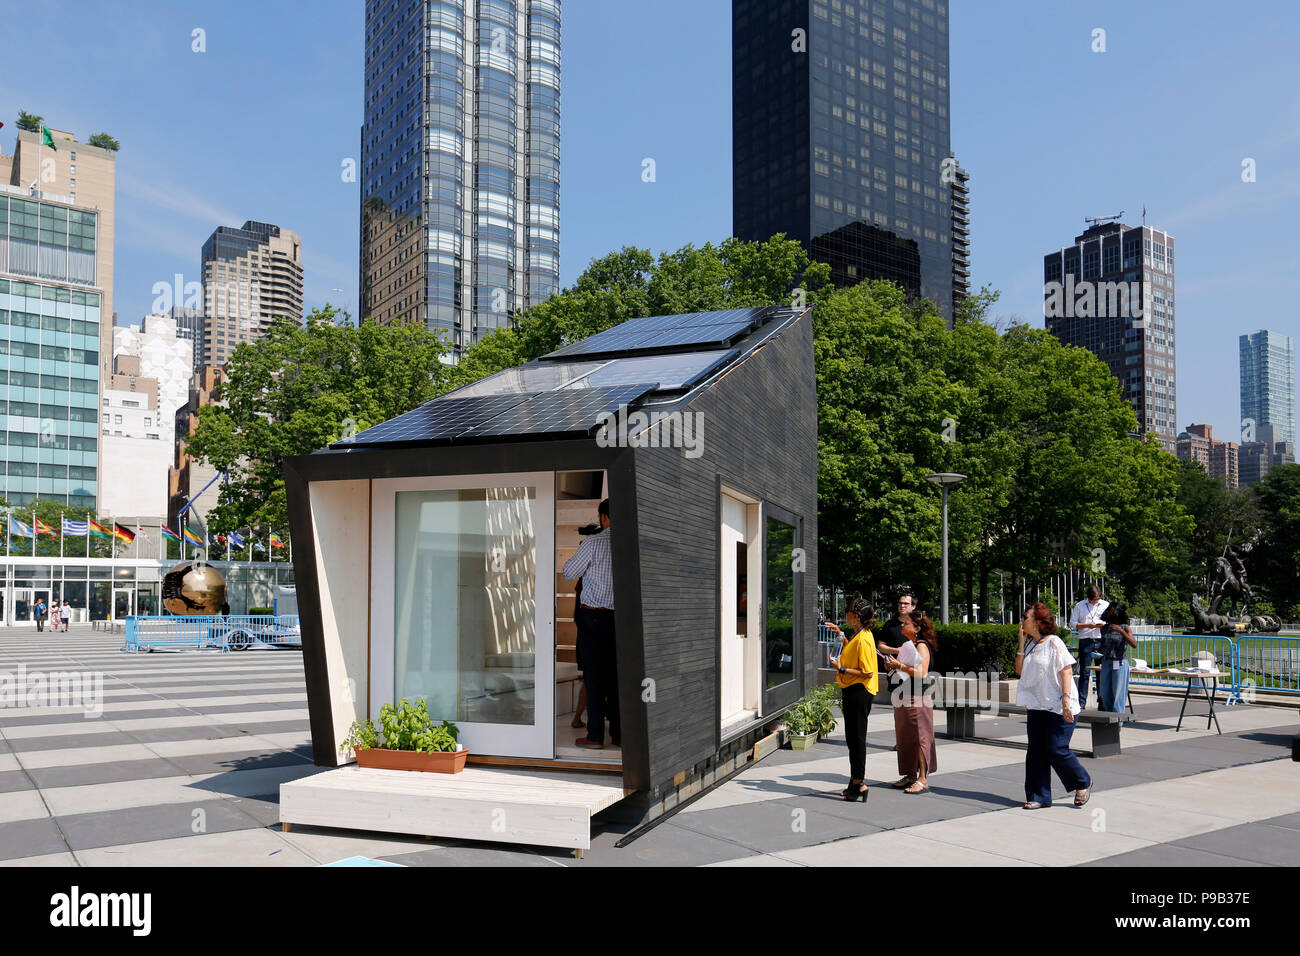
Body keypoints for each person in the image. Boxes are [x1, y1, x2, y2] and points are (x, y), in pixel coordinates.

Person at [1016, 602, 1092, 809]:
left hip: (1059, 705)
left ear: (1038, 621)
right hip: (1037, 705)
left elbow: (1066, 670)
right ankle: (1038, 796)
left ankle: (1082, 781)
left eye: (1026, 617)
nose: (1022, 620)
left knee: (1056, 749)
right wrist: (1021, 644)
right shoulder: (1032, 644)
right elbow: (1020, 671)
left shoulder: (1054, 643)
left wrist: (1066, 700)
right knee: (1035, 752)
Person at [562, 499, 618, 749]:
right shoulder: (633, 544)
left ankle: (595, 736)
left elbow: (569, 572)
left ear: (604, 517)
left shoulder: (594, 543)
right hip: (621, 620)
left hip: (593, 618)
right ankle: (619, 735)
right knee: (617, 678)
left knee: (594, 677)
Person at [825, 597, 879, 802]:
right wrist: (841, 635)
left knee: (856, 740)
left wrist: (842, 668)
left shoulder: (864, 639)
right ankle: (855, 782)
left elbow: (866, 672)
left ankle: (859, 784)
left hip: (859, 691)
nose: (846, 614)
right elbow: (852, 651)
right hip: (854, 690)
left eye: (848, 611)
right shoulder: (859, 635)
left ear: (856, 617)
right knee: (853, 739)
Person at [883, 609, 937, 794]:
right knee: (906, 736)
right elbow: (905, 669)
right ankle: (910, 775)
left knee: (920, 736)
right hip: (904, 693)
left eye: (905, 623)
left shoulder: (921, 645)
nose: (902, 626)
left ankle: (922, 779)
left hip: (918, 695)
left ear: (916, 628)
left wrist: (899, 666)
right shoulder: (908, 644)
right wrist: (893, 665)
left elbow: (922, 673)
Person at [1068, 586, 1109, 709]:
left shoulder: (1105, 605)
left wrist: (1103, 624)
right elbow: (1072, 623)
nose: (1095, 602)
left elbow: (1111, 621)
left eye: (1097, 599)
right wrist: (1087, 625)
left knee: (1102, 672)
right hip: (1086, 641)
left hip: (1101, 640)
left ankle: (1102, 701)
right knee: (1085, 673)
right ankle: (1081, 703)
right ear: (1088, 598)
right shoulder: (1080, 605)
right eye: (1093, 600)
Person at [1097, 602, 1137, 714]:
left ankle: (1118, 721)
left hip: (1119, 663)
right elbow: (1104, 644)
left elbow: (1134, 644)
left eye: (1111, 610)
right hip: (1106, 662)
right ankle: (1109, 718)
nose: (1108, 612)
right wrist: (1098, 650)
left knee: (1118, 693)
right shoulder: (1104, 628)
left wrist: (1121, 631)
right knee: (1104, 693)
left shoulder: (1125, 627)